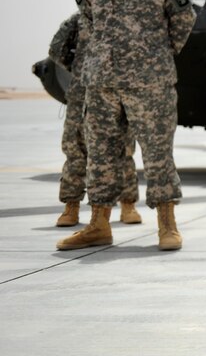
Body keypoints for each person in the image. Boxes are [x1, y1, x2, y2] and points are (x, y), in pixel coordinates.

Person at [57, 0, 196, 252]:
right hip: (101, 81)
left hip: (149, 82)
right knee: (101, 154)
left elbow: (183, 18)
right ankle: (99, 224)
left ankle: (167, 225)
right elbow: (86, 17)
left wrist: (158, 55)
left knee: (157, 154)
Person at [50, 13, 142, 227]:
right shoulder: (78, 20)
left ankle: (127, 204)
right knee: (77, 149)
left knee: (123, 148)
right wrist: (79, 69)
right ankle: (71, 206)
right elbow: (56, 48)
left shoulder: (124, 17)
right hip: (84, 93)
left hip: (115, 92)